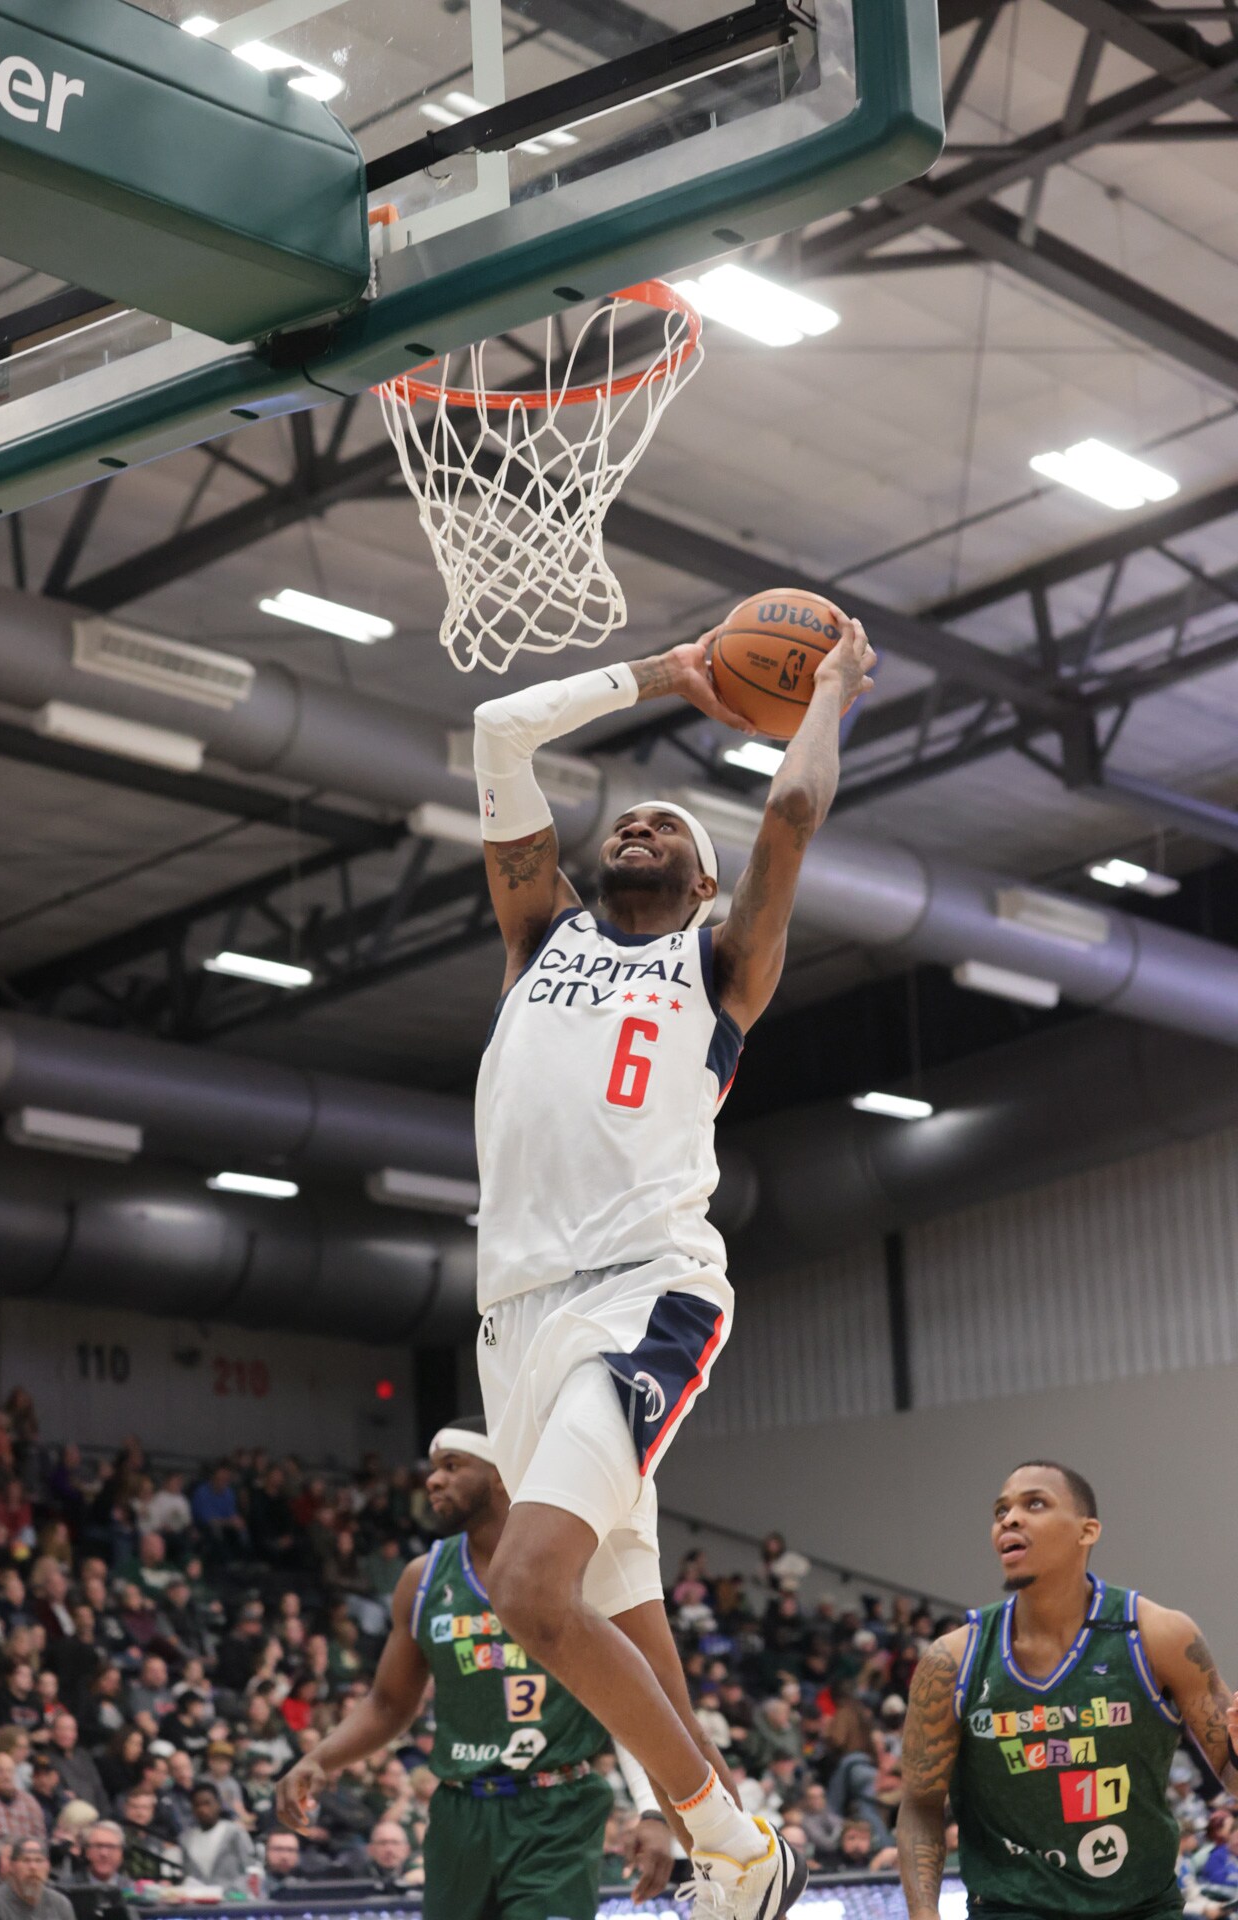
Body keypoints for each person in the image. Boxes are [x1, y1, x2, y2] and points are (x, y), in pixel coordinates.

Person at [468, 619, 875, 1918]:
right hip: (510, 1320)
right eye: (628, 822)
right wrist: (670, 672)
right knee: (624, 1606)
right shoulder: (542, 935)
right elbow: (497, 732)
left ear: (703, 885)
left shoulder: (717, 962)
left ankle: (738, 1844)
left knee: (524, 1586)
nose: (639, 827)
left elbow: (793, 816)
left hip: (643, 1292)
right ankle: (710, 1841)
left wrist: (828, 694)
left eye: (669, 831)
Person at [276, 1418, 675, 1920]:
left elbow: (629, 1699)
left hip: (556, 1808)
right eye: (432, 1468)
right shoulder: (422, 1579)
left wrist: (653, 1808)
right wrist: (319, 1759)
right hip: (459, 1813)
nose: (432, 1480)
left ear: (502, 1475)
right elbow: (389, 1702)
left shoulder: (579, 1570)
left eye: (452, 1465)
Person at [897, 1460, 1238, 1920]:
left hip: (1141, 1906)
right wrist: (923, 1913)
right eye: (1001, 1511)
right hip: (1009, 1908)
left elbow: (1230, 1768)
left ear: (1087, 1531)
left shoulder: (1160, 1635)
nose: (1009, 1519)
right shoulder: (951, 1661)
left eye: (1034, 1503)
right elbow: (919, 1805)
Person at [0, 1837, 75, 1920]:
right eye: (25, 1860)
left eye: (39, 1860)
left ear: (48, 1867)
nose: (33, 1867)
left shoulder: (61, 1904)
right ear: (12, 1866)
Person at [179, 1784, 253, 1892]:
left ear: (218, 1804)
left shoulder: (234, 1832)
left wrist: (236, 1891)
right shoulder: (186, 1839)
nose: (202, 1809)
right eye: (197, 1805)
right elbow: (187, 1874)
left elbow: (250, 1867)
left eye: (207, 1804)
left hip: (232, 1900)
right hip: (197, 1902)